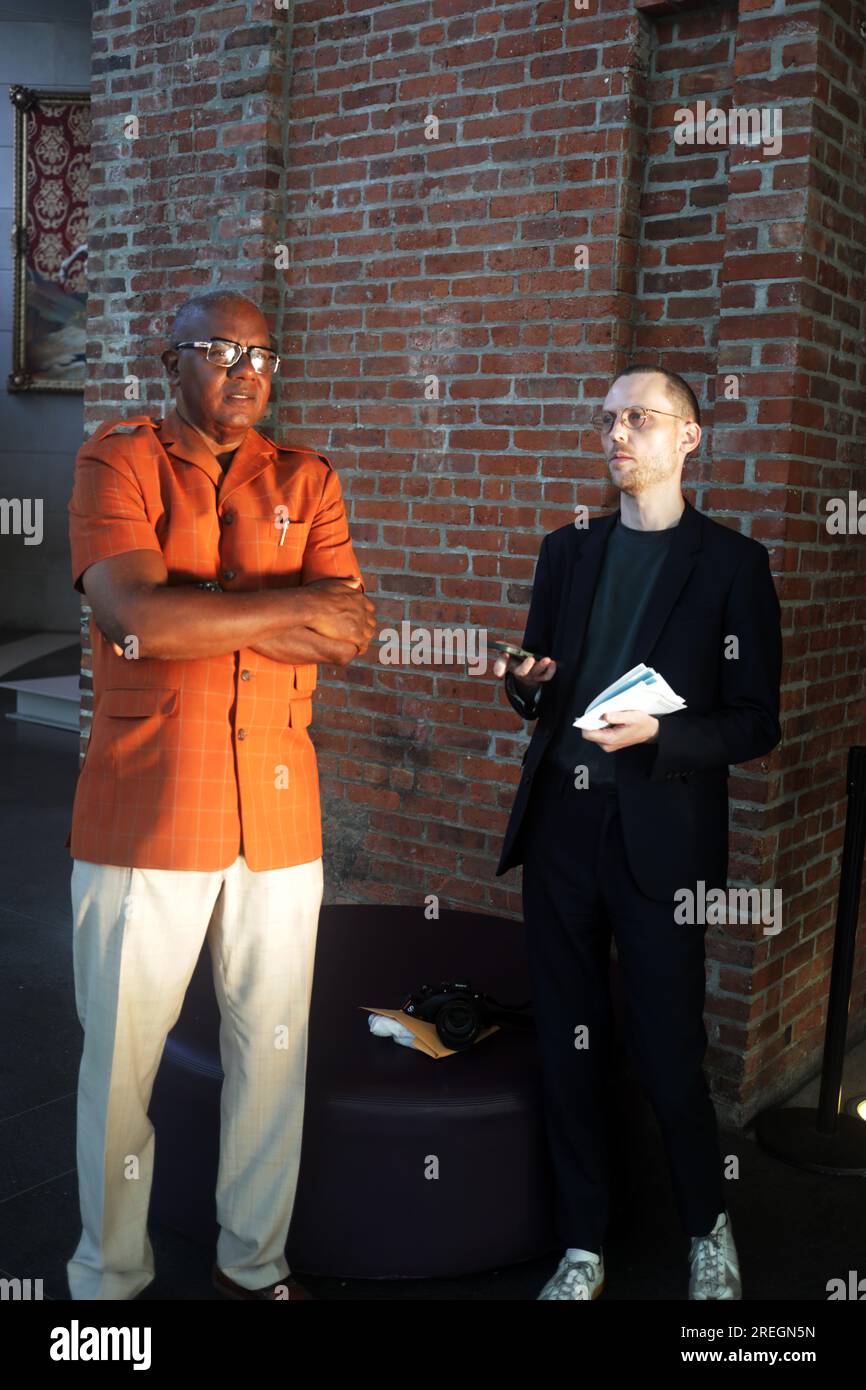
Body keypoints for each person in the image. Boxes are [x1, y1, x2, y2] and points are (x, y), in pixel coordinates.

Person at [64, 290, 376, 1301]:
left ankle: (254, 1263)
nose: (245, 371)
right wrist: (273, 607)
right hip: (148, 807)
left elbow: (351, 627)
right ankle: (108, 1276)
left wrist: (200, 606)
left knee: (270, 1056)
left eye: (261, 355)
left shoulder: (309, 478)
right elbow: (136, 622)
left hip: (278, 813)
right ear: (170, 362)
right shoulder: (119, 459)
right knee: (121, 1070)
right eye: (219, 351)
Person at [493, 365, 783, 1301]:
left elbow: (755, 720)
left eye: (642, 420)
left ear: (688, 439)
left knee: (667, 1048)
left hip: (662, 841)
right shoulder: (566, 551)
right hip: (564, 830)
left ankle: (706, 1226)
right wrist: (527, 682)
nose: (619, 435)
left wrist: (664, 734)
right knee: (567, 1039)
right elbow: (535, 684)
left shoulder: (733, 563)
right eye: (610, 420)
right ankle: (584, 1245)